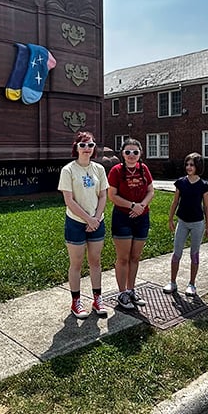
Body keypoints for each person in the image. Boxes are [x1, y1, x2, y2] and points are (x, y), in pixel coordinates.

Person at [57, 131, 109, 319]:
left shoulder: (99, 170)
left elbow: (103, 195)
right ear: (76, 147)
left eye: (90, 145)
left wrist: (95, 218)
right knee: (76, 263)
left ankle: (97, 299)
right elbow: (69, 200)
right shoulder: (68, 170)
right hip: (76, 223)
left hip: (97, 221)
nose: (87, 149)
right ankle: (76, 302)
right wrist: (88, 219)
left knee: (95, 262)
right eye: (83, 145)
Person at [107, 138, 155, 310]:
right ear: (123, 154)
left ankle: (131, 289)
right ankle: (122, 293)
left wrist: (141, 206)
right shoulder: (116, 171)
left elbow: (151, 190)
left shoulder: (144, 169)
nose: (131, 155)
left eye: (135, 152)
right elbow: (112, 195)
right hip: (122, 217)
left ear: (140, 153)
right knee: (123, 258)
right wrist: (132, 206)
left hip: (142, 218)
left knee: (135, 257)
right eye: (128, 152)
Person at [163, 152, 208, 297]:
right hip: (182, 222)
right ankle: (172, 282)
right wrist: (170, 219)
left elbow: (207, 207)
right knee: (176, 253)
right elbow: (175, 202)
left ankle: (192, 284)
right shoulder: (181, 182)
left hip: (197, 223)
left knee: (194, 254)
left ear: (198, 166)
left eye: (192, 164)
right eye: (187, 164)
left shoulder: (203, 185)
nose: (189, 167)